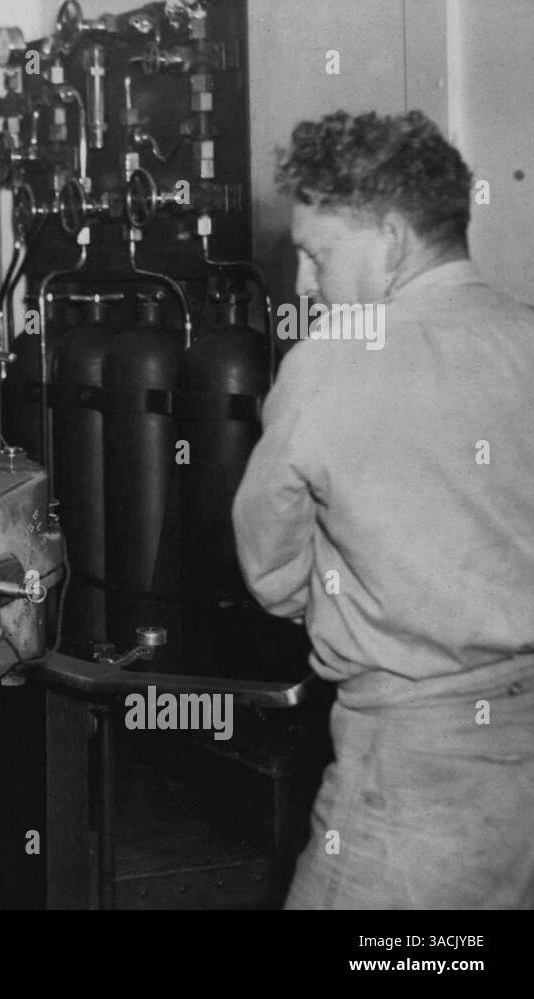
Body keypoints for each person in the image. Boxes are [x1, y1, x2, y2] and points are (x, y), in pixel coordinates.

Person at [233, 110, 534, 909]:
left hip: (416, 769)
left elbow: (270, 571)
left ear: (393, 239)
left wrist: (355, 588)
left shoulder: (330, 363)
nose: (303, 284)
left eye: (318, 255)